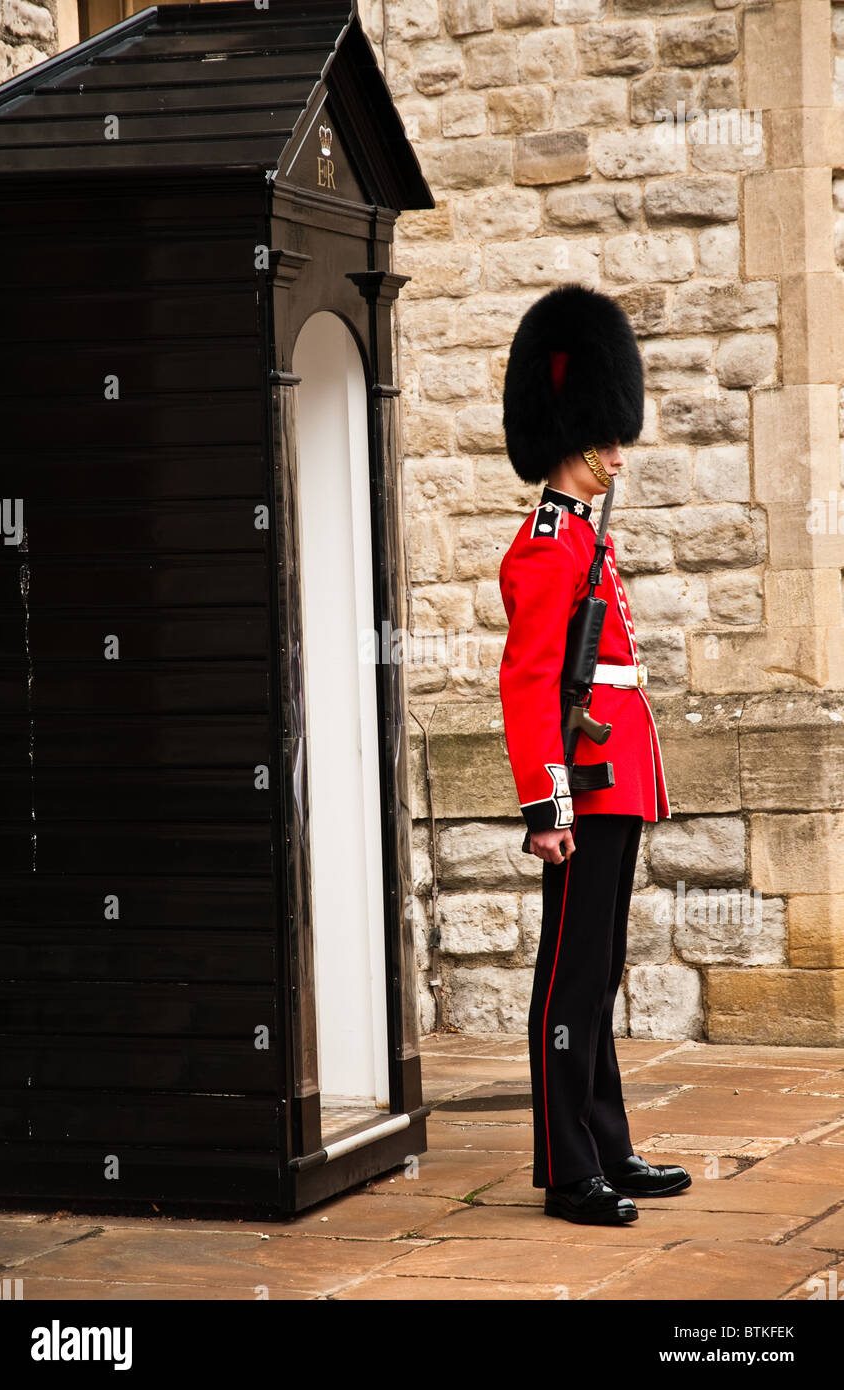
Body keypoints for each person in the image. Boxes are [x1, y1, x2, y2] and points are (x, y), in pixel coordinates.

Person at [498, 283, 691, 1226]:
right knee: (568, 978)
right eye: (604, 439)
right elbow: (529, 681)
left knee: (599, 966)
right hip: (582, 789)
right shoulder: (545, 546)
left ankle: (607, 1146)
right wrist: (546, 805)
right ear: (566, 437)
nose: (617, 454)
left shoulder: (585, 542)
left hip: (617, 779)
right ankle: (566, 1167)